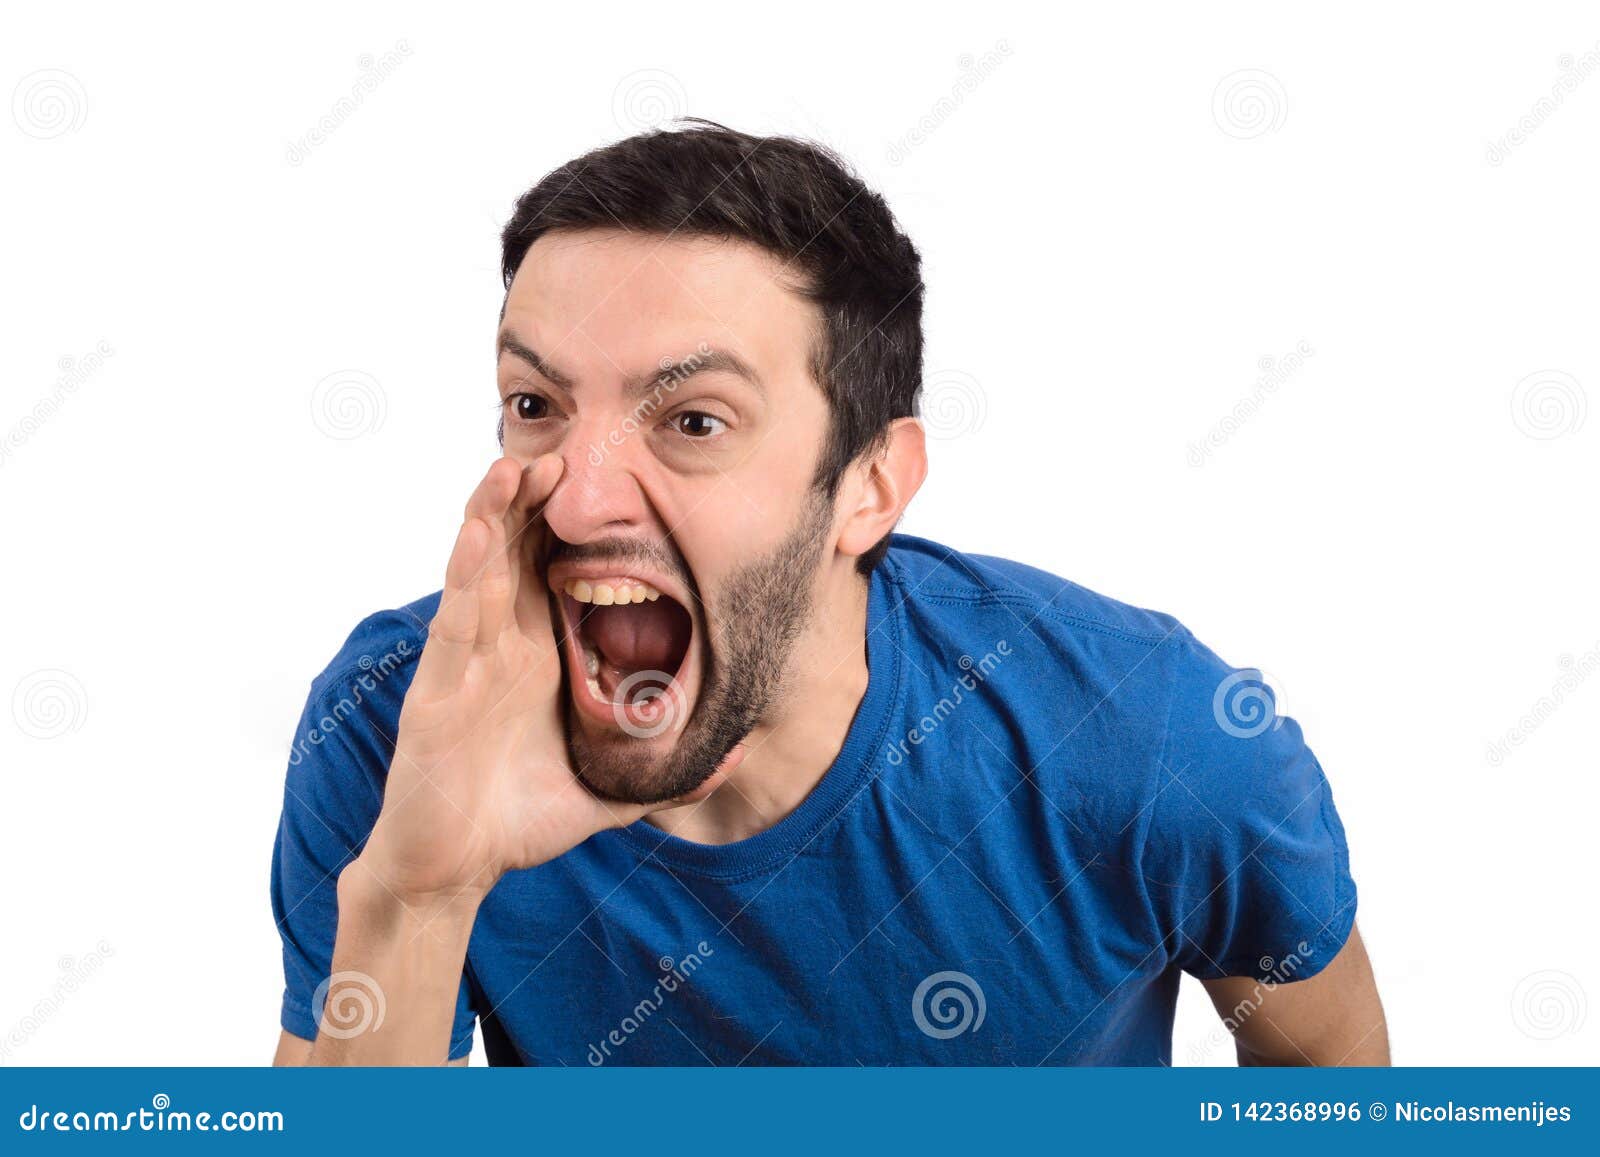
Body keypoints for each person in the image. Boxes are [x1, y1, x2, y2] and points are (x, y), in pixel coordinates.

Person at [272, 121, 1387, 1066]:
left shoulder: (1151, 733)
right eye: (534, 405)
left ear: (871, 485)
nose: (577, 496)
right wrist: (416, 898)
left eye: (693, 420)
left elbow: (1332, 1080)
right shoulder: (406, 727)